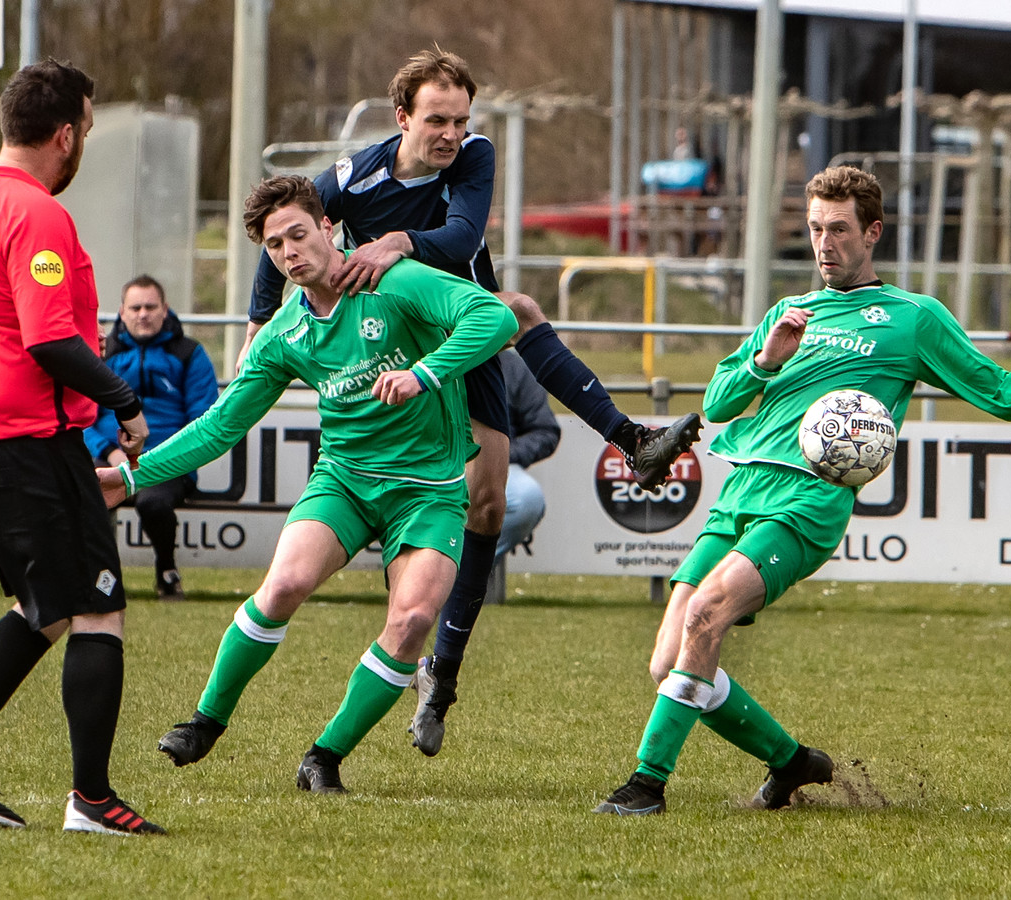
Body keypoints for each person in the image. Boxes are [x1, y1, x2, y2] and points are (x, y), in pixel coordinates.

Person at [594, 165, 1011, 816]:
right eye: (814, 229)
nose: (823, 243)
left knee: (707, 617)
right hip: (739, 494)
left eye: (838, 229)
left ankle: (646, 786)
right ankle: (791, 763)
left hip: (808, 500)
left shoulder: (912, 319)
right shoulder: (790, 312)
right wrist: (766, 359)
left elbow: (1002, 395)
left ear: (872, 232)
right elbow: (720, 401)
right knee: (668, 663)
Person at [239, 48, 702, 757]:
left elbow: (462, 238)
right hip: (393, 348)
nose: (452, 132)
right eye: (437, 120)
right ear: (403, 118)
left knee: (488, 502)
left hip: (462, 334)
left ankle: (441, 676)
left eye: (460, 118)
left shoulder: (473, 158)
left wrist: (396, 243)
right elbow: (282, 225)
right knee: (516, 309)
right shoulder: (350, 177)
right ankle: (629, 439)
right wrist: (256, 324)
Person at [96, 175, 517, 794]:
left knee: (413, 619)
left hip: (428, 488)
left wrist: (425, 374)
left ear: (329, 229)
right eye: (274, 245)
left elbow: (494, 317)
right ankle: (206, 721)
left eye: (298, 233)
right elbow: (218, 427)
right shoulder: (284, 334)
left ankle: (325, 755)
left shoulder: (394, 282)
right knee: (284, 583)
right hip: (344, 481)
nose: (290, 251)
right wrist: (130, 476)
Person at [0, 59, 165, 836]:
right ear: (63, 134)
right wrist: (124, 403)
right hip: (25, 443)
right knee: (96, 608)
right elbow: (49, 338)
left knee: (48, 607)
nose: (82, 142)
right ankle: (89, 799)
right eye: (83, 129)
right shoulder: (36, 212)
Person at [86, 275, 219, 599]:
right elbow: (84, 417)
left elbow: (203, 421)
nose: (143, 314)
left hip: (168, 460)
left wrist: (157, 460)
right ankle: (100, 582)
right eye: (135, 307)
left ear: (165, 309)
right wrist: (113, 453)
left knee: (154, 503)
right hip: (110, 455)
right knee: (82, 496)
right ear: (121, 311)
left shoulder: (190, 353)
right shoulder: (101, 352)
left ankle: (167, 572)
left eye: (150, 306)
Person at [493, 348, 559, 559]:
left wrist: (501, 455)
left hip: (495, 465)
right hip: (429, 463)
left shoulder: (515, 366)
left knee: (526, 496)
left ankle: (461, 574)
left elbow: (545, 430)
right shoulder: (424, 351)